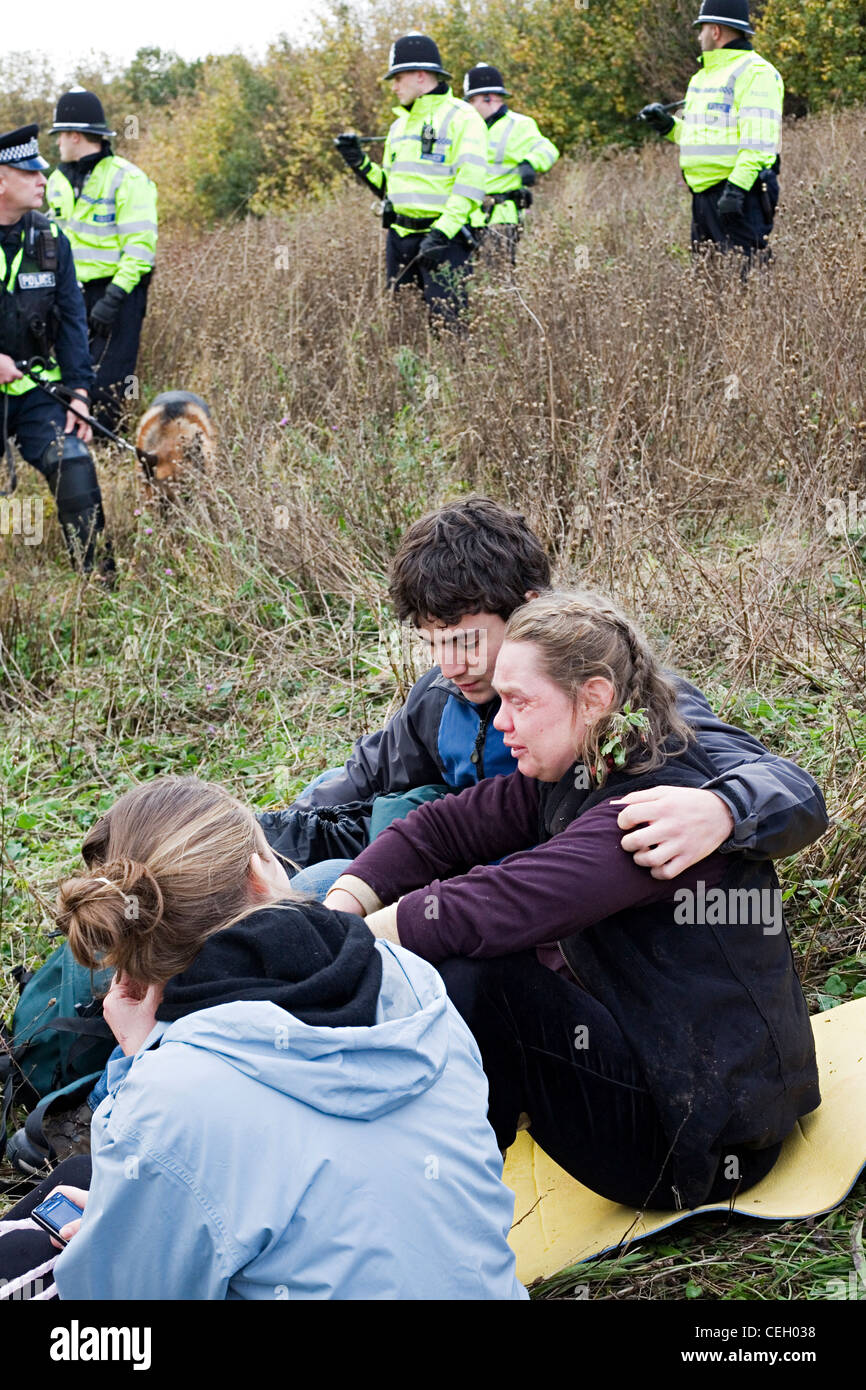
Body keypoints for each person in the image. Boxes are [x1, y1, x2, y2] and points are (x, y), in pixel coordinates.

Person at [322, 590, 821, 1213]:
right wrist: (341, 905)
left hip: (705, 1145)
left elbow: (498, 905)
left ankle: (441, 1207)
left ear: (594, 698)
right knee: (474, 967)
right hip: (679, 1081)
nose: (501, 723)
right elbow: (440, 829)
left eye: (519, 702)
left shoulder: (653, 811)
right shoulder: (584, 764)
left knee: (481, 979)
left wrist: (338, 948)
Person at [0, 776, 526, 1301]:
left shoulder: (170, 1100)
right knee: (88, 1177)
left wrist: (143, 1068)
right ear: (261, 872)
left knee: (32, 1246)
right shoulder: (407, 974)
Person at [259, 497, 828, 883]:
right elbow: (359, 783)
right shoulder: (438, 697)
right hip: (459, 876)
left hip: (547, 909)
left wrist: (723, 809)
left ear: (528, 609)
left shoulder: (630, 696)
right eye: (431, 643)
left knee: (327, 888)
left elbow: (785, 786)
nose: (447, 666)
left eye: (464, 641)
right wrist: (253, 843)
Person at [0, 125, 111, 576]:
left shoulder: (50, 242)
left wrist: (80, 392)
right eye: (29, 174)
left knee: (75, 462)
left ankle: (100, 583)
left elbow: (72, 321)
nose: (43, 180)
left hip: (32, 391)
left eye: (41, 172)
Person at [334, 33, 488, 327]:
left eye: (397, 78)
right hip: (399, 241)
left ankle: (450, 375)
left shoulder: (463, 118)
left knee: (449, 331)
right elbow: (389, 189)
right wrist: (357, 161)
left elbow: (469, 186)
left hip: (445, 242)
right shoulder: (399, 125)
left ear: (420, 76)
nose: (393, 87)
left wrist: (440, 235)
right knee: (405, 329)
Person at [46, 89, 157, 430]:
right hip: (71, 291)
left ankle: (108, 439)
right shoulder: (56, 181)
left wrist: (114, 297)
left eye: (60, 135)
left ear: (75, 136)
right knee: (72, 366)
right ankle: (73, 433)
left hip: (118, 289)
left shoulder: (128, 178)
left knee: (113, 371)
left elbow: (140, 246)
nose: (58, 143)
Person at [639, 0, 783, 261]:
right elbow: (702, 136)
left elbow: (759, 143)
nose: (698, 36)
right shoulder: (702, 77)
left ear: (715, 31)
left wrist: (735, 191)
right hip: (704, 197)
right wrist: (668, 125)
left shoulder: (756, 72)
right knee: (711, 287)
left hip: (739, 194)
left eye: (701, 28)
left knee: (747, 283)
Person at [463, 63, 559, 262]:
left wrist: (530, 163)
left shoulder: (520, 125)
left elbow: (549, 150)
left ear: (488, 97)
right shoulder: (467, 127)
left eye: (472, 100)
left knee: (498, 281)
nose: (469, 106)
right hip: (467, 219)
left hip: (501, 219)